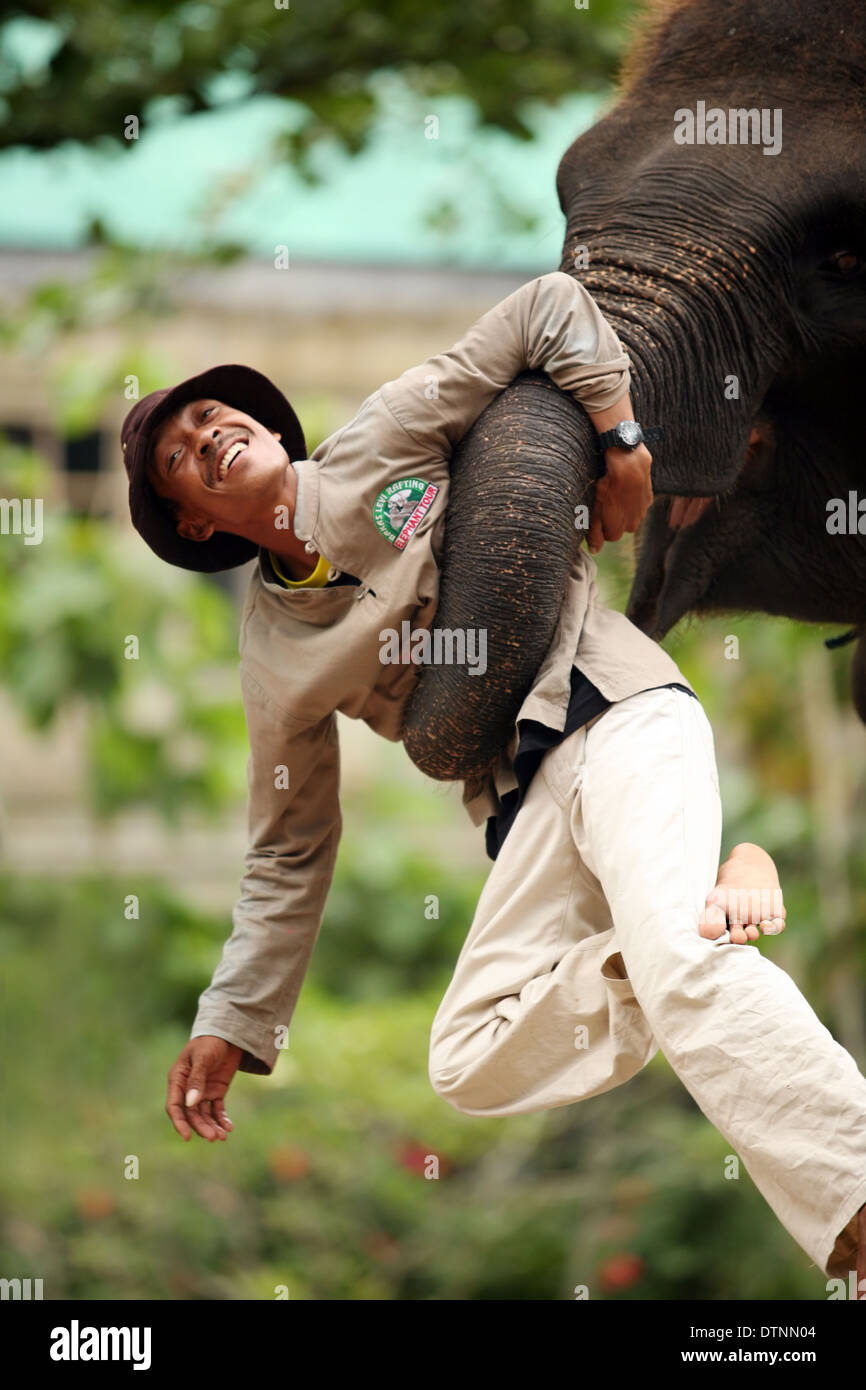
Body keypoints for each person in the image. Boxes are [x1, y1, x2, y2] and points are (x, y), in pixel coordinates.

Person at [121, 270, 866, 1289]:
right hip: (518, 810)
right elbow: (287, 849)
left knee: (686, 976)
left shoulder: (386, 432)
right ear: (195, 522)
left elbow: (549, 305)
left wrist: (620, 440)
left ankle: (853, 1206)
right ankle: (686, 908)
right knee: (467, 1058)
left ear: (261, 423)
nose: (208, 435)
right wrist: (229, 1018)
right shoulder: (273, 662)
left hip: (614, 714)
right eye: (181, 451)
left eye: (213, 415)